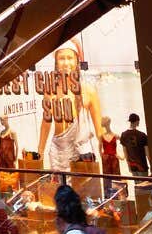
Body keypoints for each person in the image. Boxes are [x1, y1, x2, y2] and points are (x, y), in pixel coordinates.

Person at [38, 41, 103, 177]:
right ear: (56, 63)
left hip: (82, 151)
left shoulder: (89, 91)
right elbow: (46, 124)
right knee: (60, 194)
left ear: (76, 61)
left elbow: (99, 130)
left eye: (70, 58)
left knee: (83, 194)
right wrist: (40, 153)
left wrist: (109, 154)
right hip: (57, 152)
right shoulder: (50, 91)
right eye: (62, 58)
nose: (66, 63)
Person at [120, 111, 149, 177]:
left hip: (132, 164)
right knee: (144, 185)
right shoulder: (142, 135)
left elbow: (125, 152)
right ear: (137, 121)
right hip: (142, 164)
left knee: (136, 185)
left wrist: (128, 165)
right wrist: (151, 164)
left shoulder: (124, 135)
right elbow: (147, 152)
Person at [99, 116, 120, 198]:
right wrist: (103, 157)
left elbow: (124, 144)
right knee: (107, 178)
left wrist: (120, 156)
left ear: (108, 123)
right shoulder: (101, 136)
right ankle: (107, 196)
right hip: (106, 159)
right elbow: (99, 149)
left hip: (114, 159)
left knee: (116, 177)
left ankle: (117, 195)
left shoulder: (116, 136)